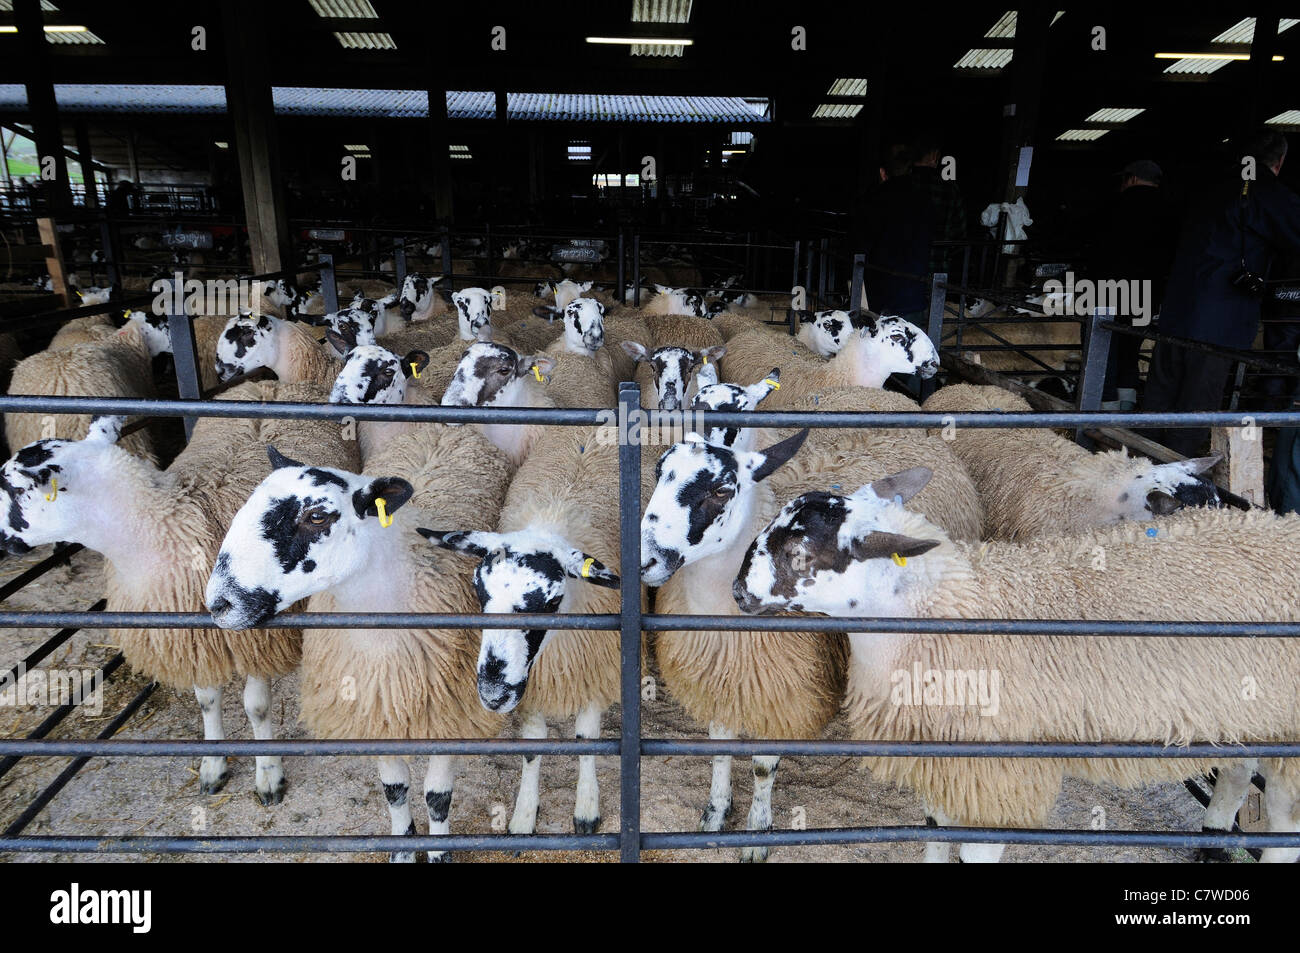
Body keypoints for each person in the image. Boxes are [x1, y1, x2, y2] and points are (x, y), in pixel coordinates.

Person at [1141, 130, 1300, 456]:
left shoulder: (1209, 186)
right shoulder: (1265, 191)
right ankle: (1174, 482)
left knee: (1161, 393)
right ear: (1280, 161)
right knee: (1197, 402)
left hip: (1176, 311)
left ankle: (1142, 465)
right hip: (1220, 319)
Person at [1092, 159, 1178, 410]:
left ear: (1129, 179)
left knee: (1104, 347)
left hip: (1107, 289)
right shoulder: (1170, 211)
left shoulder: (1113, 206)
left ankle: (1104, 412)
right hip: (1147, 291)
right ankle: (1126, 408)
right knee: (1130, 349)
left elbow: (1096, 247)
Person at [854, 142, 933, 321]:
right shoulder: (924, 199)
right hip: (913, 289)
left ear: (883, 173)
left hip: (880, 290)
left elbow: (861, 243)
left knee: (877, 337)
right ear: (910, 170)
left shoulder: (871, 199)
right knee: (908, 340)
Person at [909, 132, 967, 277]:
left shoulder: (901, 184)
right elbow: (959, 234)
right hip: (936, 268)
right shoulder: (949, 188)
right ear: (935, 156)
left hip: (901, 268)